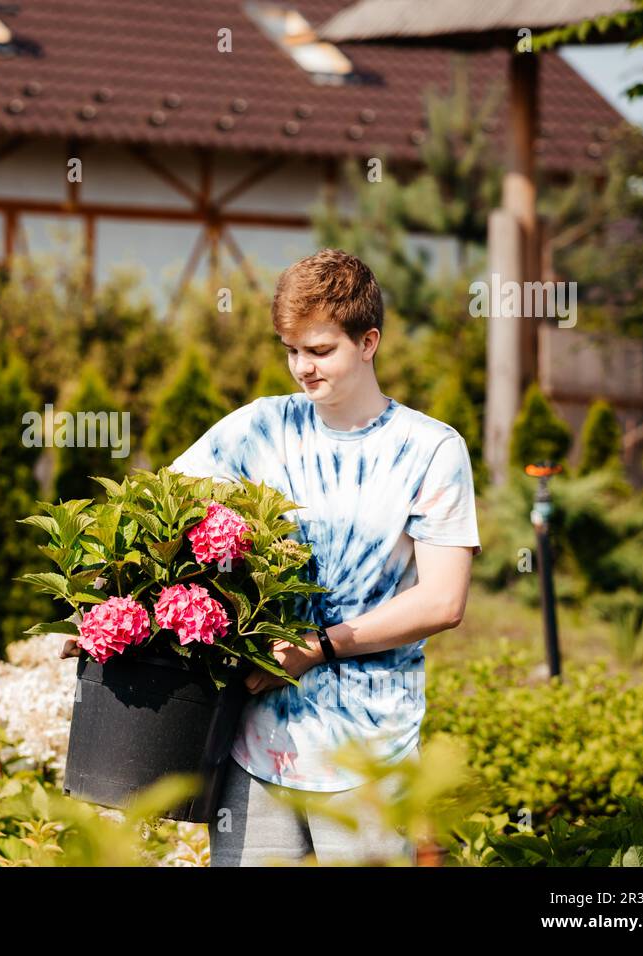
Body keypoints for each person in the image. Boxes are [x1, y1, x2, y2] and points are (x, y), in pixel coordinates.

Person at [167, 248, 482, 866]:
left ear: (368, 342)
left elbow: (444, 601)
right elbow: (158, 517)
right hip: (252, 744)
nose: (301, 370)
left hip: (370, 751)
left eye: (319, 351)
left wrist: (319, 645)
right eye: (291, 350)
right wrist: (109, 610)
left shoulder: (429, 450)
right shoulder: (259, 429)